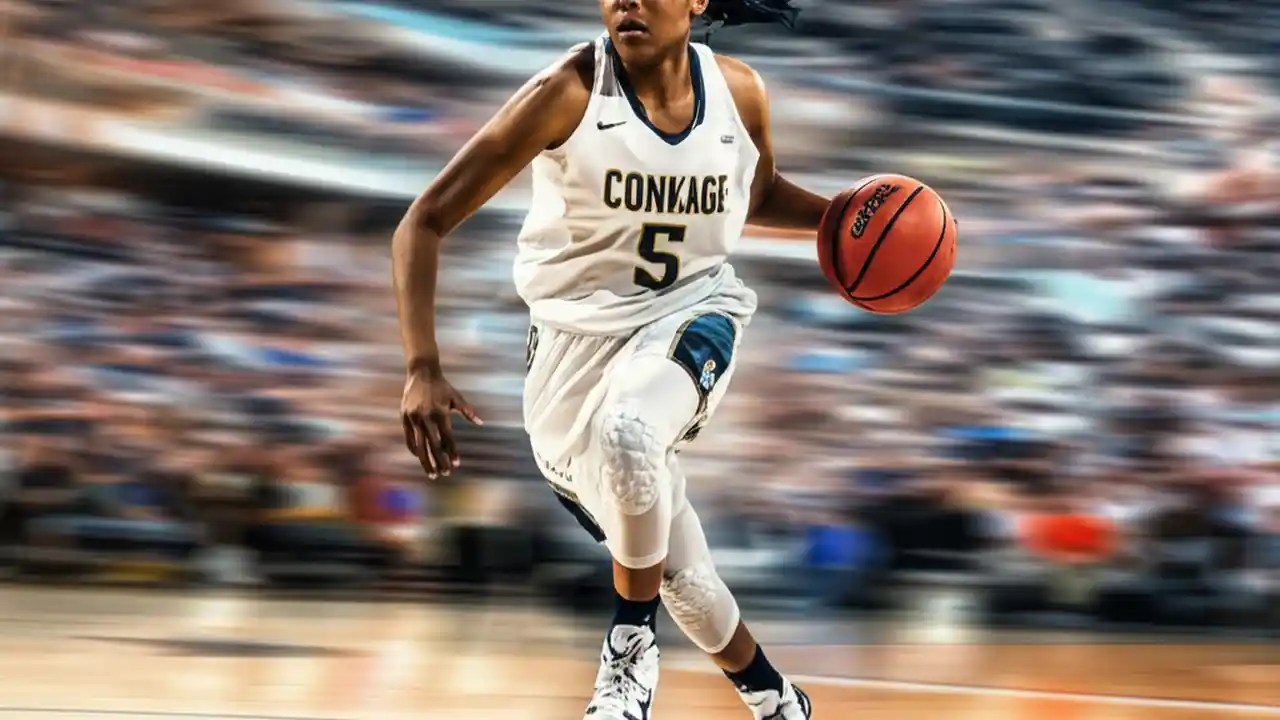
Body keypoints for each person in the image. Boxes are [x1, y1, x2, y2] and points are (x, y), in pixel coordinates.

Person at [394, 1, 828, 718]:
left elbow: (753, 195)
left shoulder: (739, 91)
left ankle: (626, 652)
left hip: (693, 315)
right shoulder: (567, 92)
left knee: (631, 430)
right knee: (683, 579)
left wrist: (841, 216)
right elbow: (423, 221)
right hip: (570, 359)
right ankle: (780, 702)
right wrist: (421, 366)